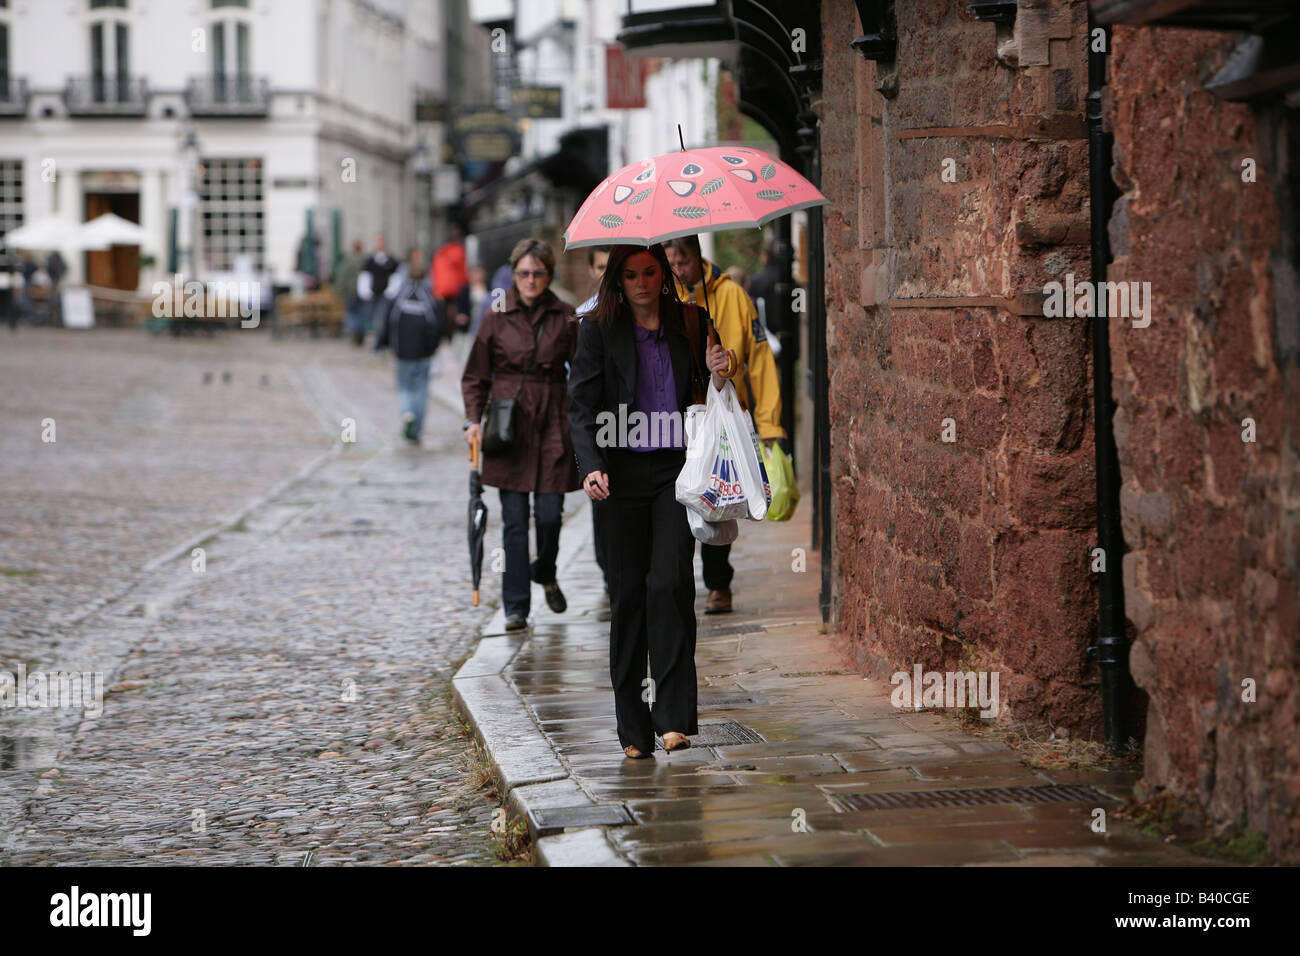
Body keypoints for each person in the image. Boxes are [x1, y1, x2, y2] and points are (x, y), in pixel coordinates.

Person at [568, 243, 732, 759]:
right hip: (619, 472)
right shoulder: (596, 328)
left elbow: (711, 389)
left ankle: (675, 719)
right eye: (631, 274)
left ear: (663, 275)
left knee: (672, 584)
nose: (642, 282)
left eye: (650, 272)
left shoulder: (691, 319)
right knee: (630, 595)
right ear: (618, 280)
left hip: (675, 473)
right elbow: (580, 407)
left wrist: (720, 371)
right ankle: (633, 729)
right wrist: (591, 464)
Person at [664, 234, 786, 616]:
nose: (678, 270)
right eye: (671, 263)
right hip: (676, 416)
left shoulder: (732, 295)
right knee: (682, 497)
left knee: (719, 495)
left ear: (698, 257)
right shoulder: (660, 301)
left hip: (721, 414)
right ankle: (678, 580)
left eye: (683, 261)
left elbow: (760, 357)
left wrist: (770, 426)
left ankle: (719, 583)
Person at [462, 238, 579, 632]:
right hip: (507, 424)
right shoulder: (495, 314)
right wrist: (472, 420)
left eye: (538, 272)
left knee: (549, 516)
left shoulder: (565, 315)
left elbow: (583, 372)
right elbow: (476, 374)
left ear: (549, 275)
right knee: (514, 521)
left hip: (553, 421)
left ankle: (544, 570)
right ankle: (516, 606)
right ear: (514, 275)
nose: (531, 280)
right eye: (524, 273)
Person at [375, 250, 443, 444]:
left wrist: (383, 345)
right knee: (421, 389)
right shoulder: (429, 298)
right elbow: (438, 325)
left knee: (404, 388)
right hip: (423, 353)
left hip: (403, 352)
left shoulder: (399, 296)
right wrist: (433, 348)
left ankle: (407, 413)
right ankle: (417, 429)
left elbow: (388, 321)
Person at [358, 235, 399, 339]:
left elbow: (396, 277)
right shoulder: (370, 261)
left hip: (384, 295)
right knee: (368, 317)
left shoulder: (391, 261)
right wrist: (366, 291)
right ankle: (370, 338)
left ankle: (379, 341)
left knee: (381, 318)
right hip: (372, 294)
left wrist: (391, 291)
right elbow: (364, 276)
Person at [432, 223, 469, 335]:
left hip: (441, 288)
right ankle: (454, 332)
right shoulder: (459, 251)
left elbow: (435, 270)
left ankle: (444, 335)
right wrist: (466, 284)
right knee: (455, 311)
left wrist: (436, 287)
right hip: (454, 287)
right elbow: (463, 271)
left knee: (444, 312)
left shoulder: (441, 251)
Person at [334, 240, 369, 346]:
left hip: (352, 290)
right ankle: (360, 332)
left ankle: (355, 333)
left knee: (352, 313)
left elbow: (342, 276)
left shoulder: (348, 260)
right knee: (362, 313)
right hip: (363, 291)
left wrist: (339, 290)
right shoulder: (366, 259)